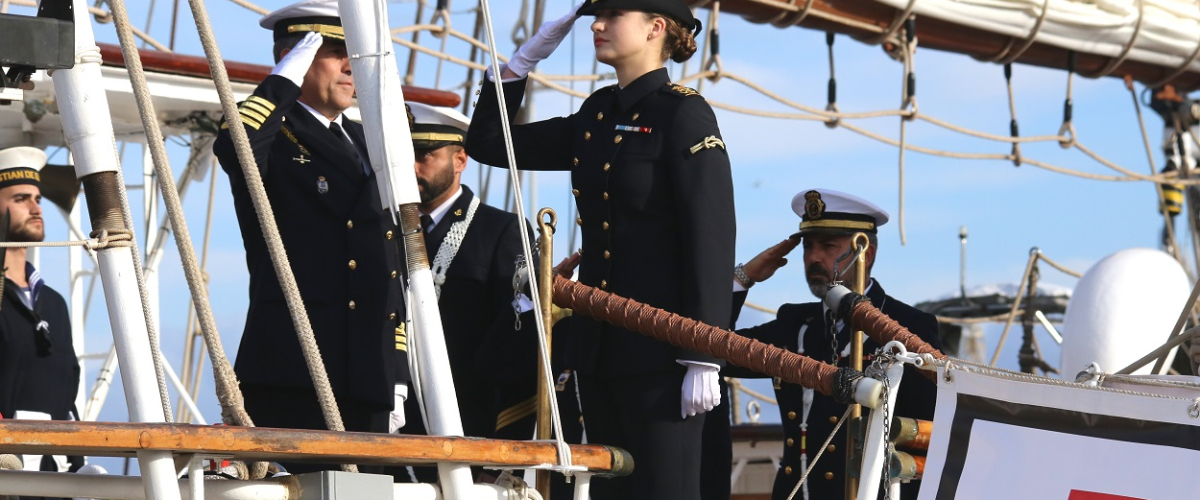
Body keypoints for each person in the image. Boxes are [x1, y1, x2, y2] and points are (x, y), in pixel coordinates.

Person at [465, 0, 736, 498]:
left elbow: (711, 236)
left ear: (656, 28)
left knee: (664, 491)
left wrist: (703, 353)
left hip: (663, 351)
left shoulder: (684, 114)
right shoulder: (597, 114)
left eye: (613, 15)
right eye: (596, 15)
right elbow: (488, 144)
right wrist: (518, 66)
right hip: (600, 348)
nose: (596, 25)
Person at [211, 0, 409, 472]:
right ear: (294, 55)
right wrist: (284, 77)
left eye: (353, 53)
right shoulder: (276, 134)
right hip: (293, 367)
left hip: (369, 373)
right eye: (333, 50)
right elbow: (235, 146)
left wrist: (397, 370)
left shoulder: (372, 141)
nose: (348, 65)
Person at [724, 188, 941, 500]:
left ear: (865, 251)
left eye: (828, 246)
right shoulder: (795, 325)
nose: (813, 257)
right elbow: (713, 351)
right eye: (808, 247)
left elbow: (926, 433)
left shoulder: (909, 328)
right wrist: (743, 277)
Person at [400, 102, 538, 480]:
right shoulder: (382, 232)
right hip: (390, 433)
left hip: (468, 437)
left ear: (460, 159)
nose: (412, 167)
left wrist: (501, 454)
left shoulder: (501, 232)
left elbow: (520, 346)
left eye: (425, 155)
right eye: (405, 155)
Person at [0, 146, 84, 477]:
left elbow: (68, 390)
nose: (37, 208)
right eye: (21, 199)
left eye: (37, 198)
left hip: (57, 475)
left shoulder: (54, 303)